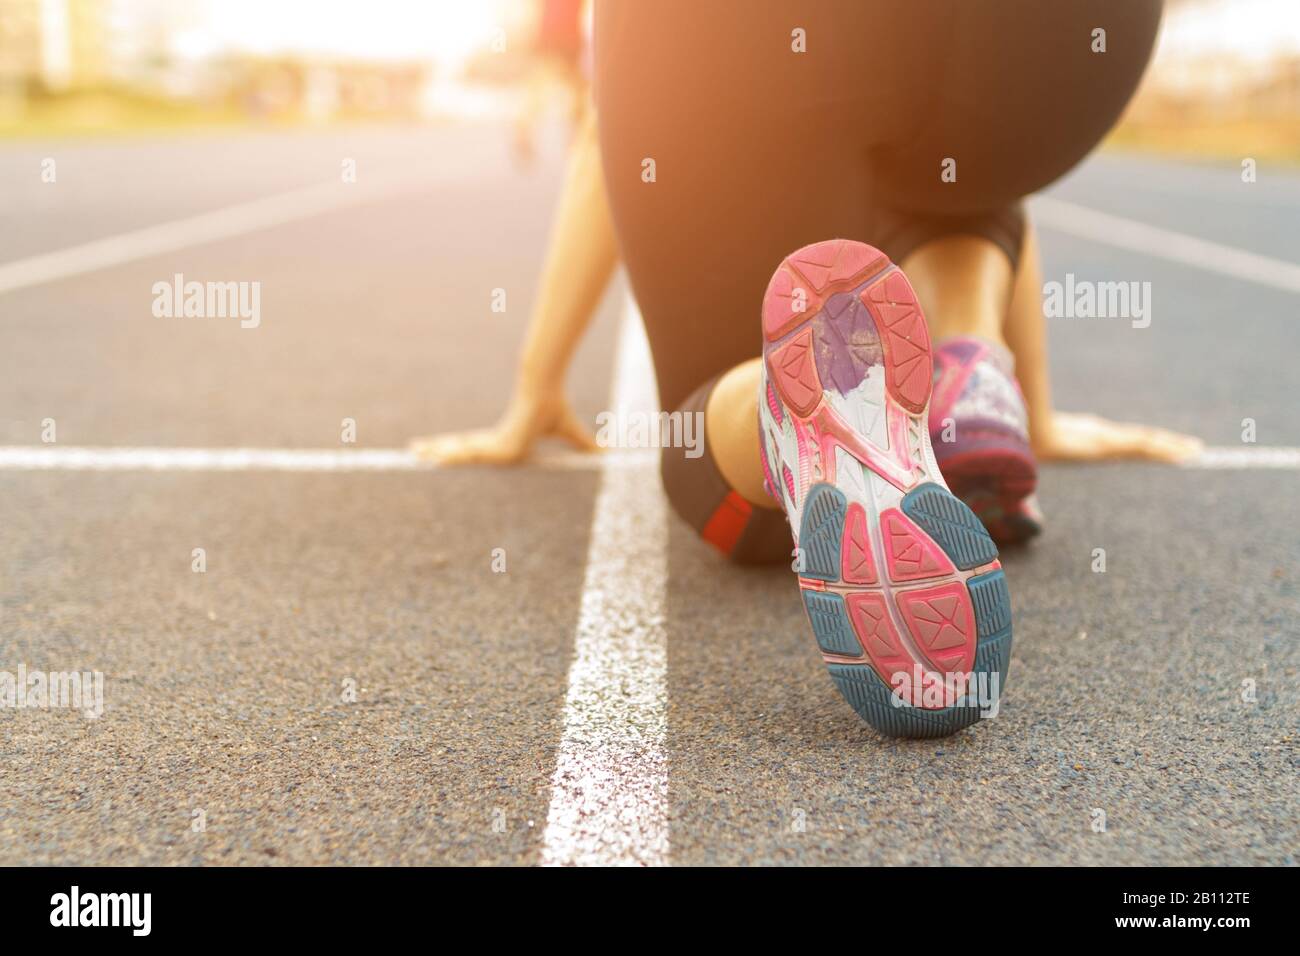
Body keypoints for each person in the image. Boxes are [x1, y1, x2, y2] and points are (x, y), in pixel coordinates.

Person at [413, 0, 1201, 737]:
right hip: (1077, 44)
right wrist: (1046, 412)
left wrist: (535, 388)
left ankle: (782, 412)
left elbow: (607, 135)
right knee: (960, 162)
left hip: (758, 34)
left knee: (695, 443)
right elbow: (1004, 177)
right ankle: (971, 366)